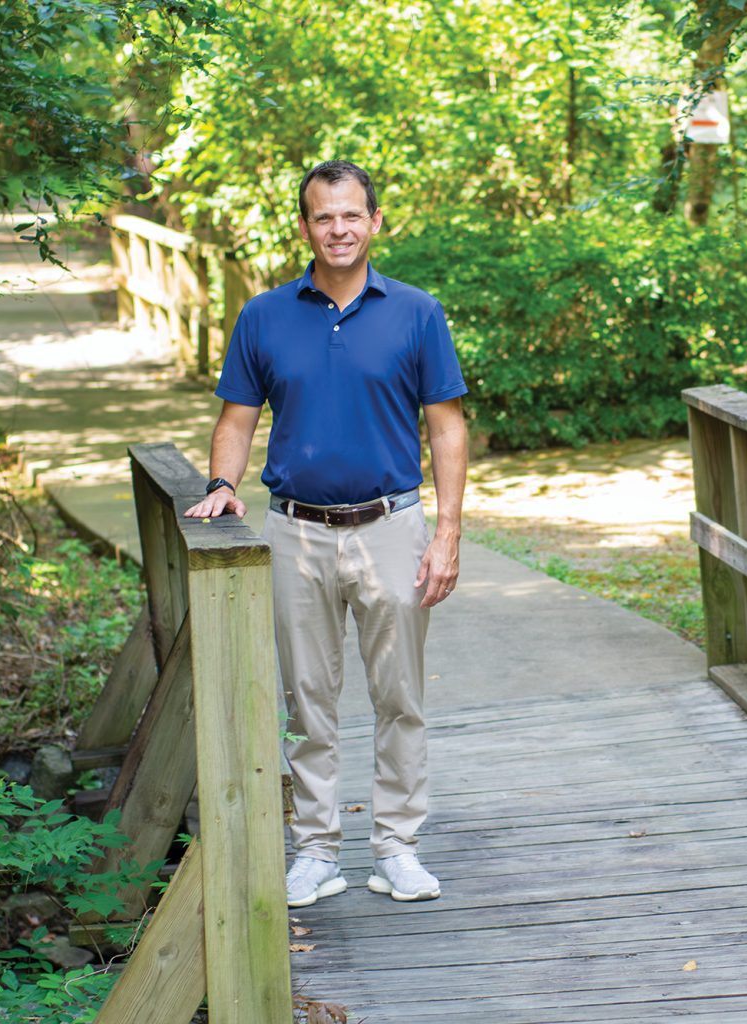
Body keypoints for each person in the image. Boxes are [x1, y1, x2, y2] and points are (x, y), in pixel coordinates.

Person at [183, 159, 467, 908]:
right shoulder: (264, 317)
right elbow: (236, 420)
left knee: (399, 696)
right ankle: (315, 851)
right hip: (294, 533)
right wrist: (221, 486)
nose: (337, 229)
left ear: (375, 223)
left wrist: (449, 533)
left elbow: (446, 427)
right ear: (304, 226)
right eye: (322, 217)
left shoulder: (416, 313)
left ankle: (397, 848)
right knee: (306, 701)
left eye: (351, 216)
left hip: (392, 526)